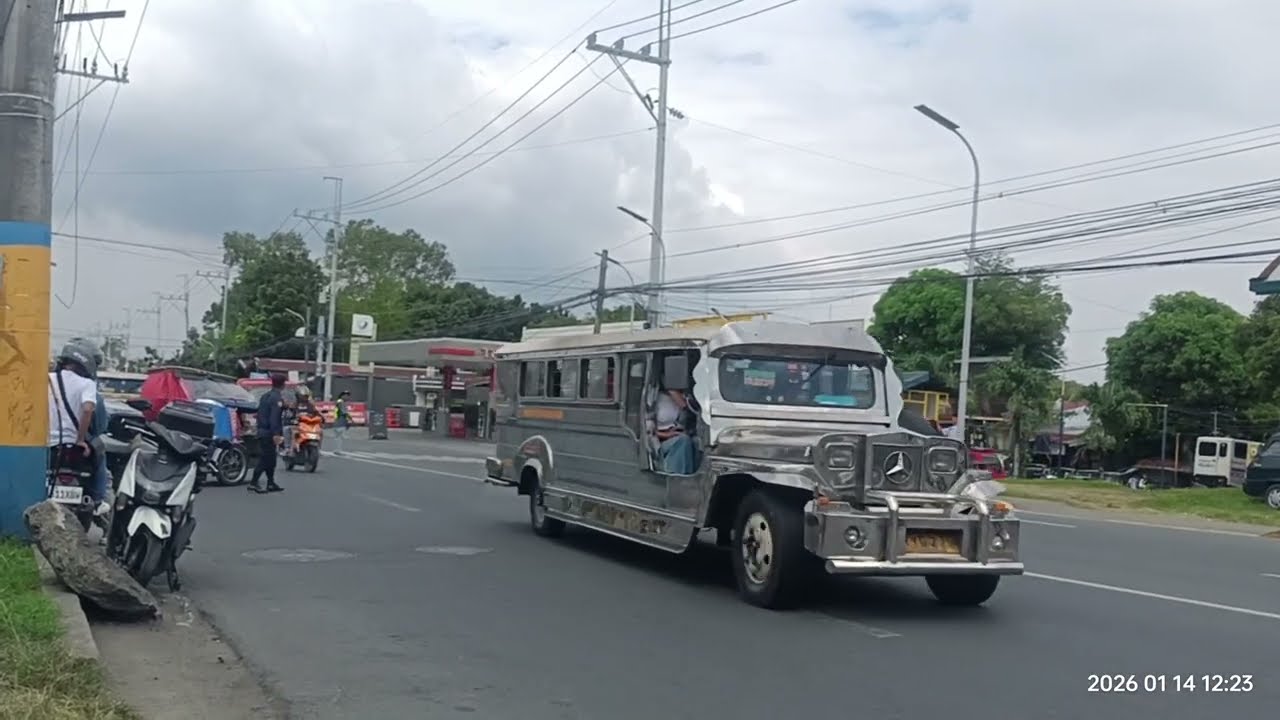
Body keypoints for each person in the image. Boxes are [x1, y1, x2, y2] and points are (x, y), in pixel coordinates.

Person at [47, 338, 110, 516]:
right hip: (75, 446)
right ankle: (98, 500)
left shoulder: (46, 380)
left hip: (46, 444)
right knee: (100, 452)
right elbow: (89, 410)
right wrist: (80, 439)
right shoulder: (87, 385)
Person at [248, 373, 285, 494]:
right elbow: (274, 417)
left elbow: (260, 413)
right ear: (283, 385)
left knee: (271, 459)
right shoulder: (277, 398)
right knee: (265, 459)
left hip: (262, 430)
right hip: (269, 432)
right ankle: (254, 483)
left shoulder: (265, 396)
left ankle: (271, 482)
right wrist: (276, 434)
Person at [655, 388, 695, 474]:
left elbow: (686, 409)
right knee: (682, 441)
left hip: (676, 432)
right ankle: (675, 476)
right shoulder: (654, 398)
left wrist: (676, 395)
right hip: (659, 439)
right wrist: (668, 434)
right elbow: (647, 431)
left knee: (695, 442)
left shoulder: (684, 397)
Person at [332, 390, 351, 455]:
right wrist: (349, 419)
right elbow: (344, 412)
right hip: (340, 421)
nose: (348, 397)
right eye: (346, 396)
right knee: (339, 436)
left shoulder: (340, 402)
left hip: (338, 421)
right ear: (342, 396)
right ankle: (338, 450)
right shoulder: (341, 402)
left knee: (338, 437)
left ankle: (337, 450)